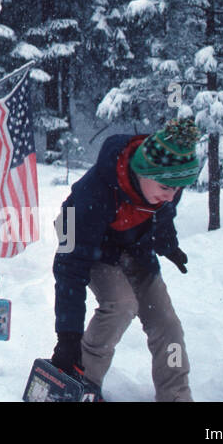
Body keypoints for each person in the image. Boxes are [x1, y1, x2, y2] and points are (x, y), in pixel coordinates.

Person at [48, 117, 198, 401]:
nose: (172, 196)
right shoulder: (92, 194)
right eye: (166, 188)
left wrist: (169, 246)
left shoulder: (167, 187)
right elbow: (69, 268)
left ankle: (176, 394)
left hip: (136, 250)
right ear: (143, 171)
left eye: (178, 189)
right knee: (121, 304)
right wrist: (67, 339)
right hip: (89, 247)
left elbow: (163, 216)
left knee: (167, 325)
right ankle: (80, 380)